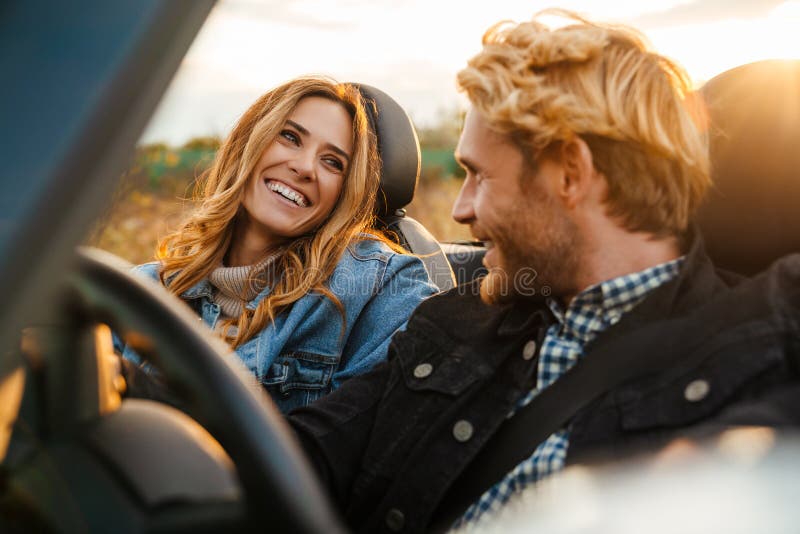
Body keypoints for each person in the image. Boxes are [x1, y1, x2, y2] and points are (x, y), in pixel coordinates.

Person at [286, 11, 800, 533]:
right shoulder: (451, 322)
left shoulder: (754, 356)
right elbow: (303, 454)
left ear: (571, 173)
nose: (460, 209)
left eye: (478, 176)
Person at [119, 76, 438, 413]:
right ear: (247, 144)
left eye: (332, 162)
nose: (304, 167)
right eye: (290, 137)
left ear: (343, 194)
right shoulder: (142, 290)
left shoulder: (377, 286)